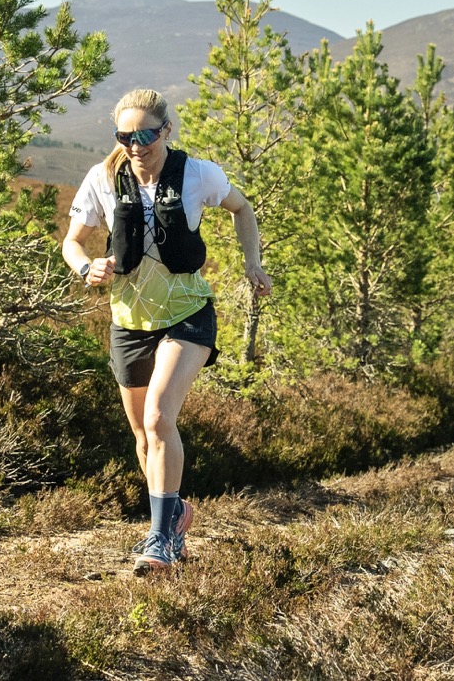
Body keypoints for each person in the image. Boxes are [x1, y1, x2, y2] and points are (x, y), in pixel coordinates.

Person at [61, 88, 272, 575]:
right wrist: (86, 267)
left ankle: (161, 540)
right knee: (141, 435)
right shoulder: (103, 178)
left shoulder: (198, 173)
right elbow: (73, 242)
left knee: (158, 419)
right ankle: (174, 512)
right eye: (126, 136)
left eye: (147, 134)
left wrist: (252, 263)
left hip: (187, 314)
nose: (137, 145)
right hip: (129, 321)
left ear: (166, 131)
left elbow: (243, 209)